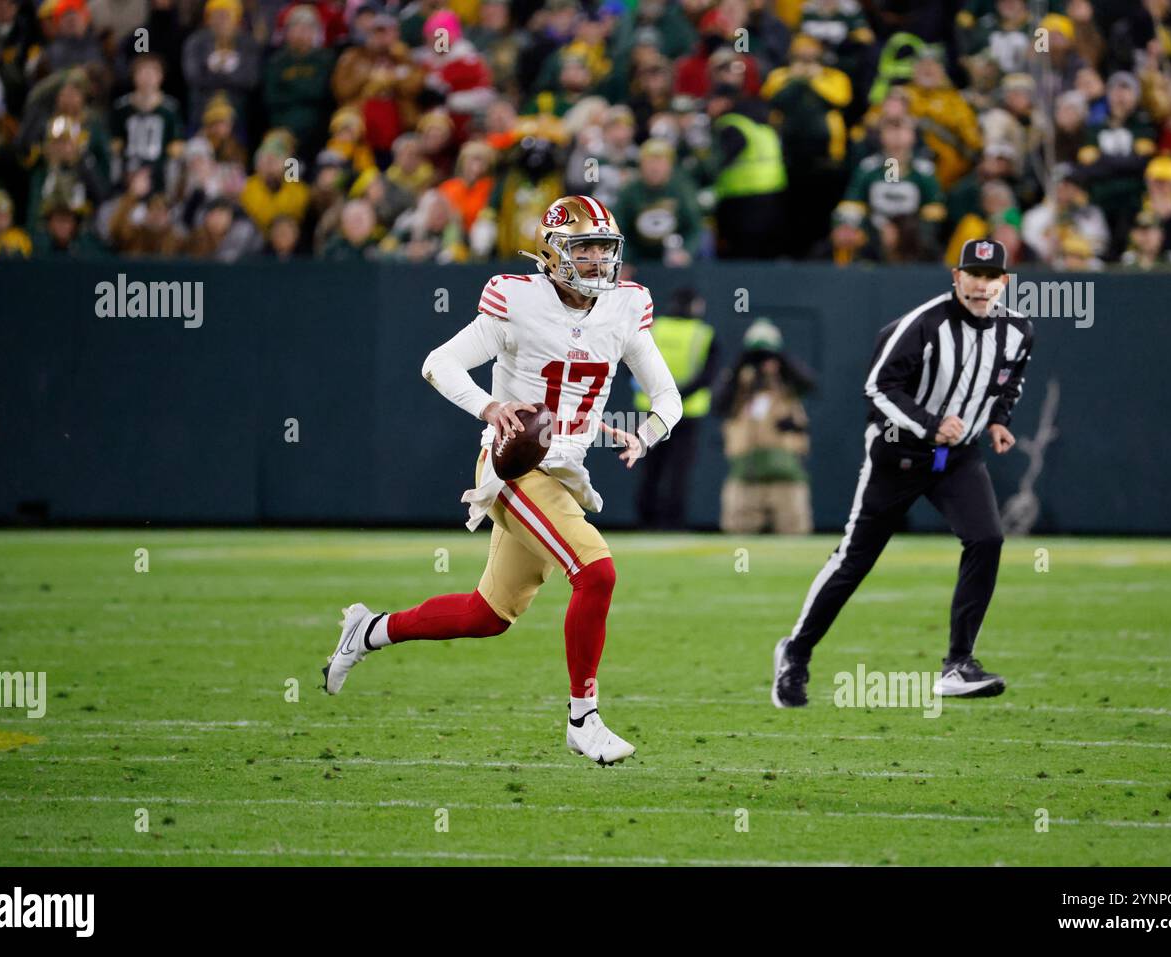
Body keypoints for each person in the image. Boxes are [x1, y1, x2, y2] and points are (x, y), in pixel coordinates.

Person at [322, 195, 683, 765]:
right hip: (512, 465)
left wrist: (647, 433)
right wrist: (489, 407)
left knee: (486, 615)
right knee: (597, 572)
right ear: (552, 252)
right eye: (582, 247)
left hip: (565, 472)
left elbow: (667, 396)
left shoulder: (625, 306)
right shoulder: (517, 300)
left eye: (603, 248)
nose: (595, 260)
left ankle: (369, 631)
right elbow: (439, 363)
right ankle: (583, 719)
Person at [772, 238, 1034, 708]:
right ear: (956, 277)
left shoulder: (1017, 330)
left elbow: (1009, 380)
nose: (981, 284)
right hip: (899, 453)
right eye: (972, 275)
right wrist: (932, 424)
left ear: (1004, 282)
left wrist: (998, 421)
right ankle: (796, 652)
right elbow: (878, 386)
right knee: (856, 559)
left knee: (987, 539)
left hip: (956, 457)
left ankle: (958, 663)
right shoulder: (922, 324)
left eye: (991, 276)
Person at [714, 318, 816, 535]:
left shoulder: (786, 379)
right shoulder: (739, 381)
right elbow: (718, 404)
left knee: (793, 534)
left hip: (786, 472)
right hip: (745, 473)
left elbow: (810, 384)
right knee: (739, 535)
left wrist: (780, 358)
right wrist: (742, 362)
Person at [633, 286, 718, 529]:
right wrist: (676, 397)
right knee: (679, 470)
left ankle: (645, 521)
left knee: (650, 466)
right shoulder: (703, 333)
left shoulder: (654, 328)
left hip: (653, 412)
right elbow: (708, 376)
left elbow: (633, 364)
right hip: (687, 414)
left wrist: (661, 395)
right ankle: (673, 522)